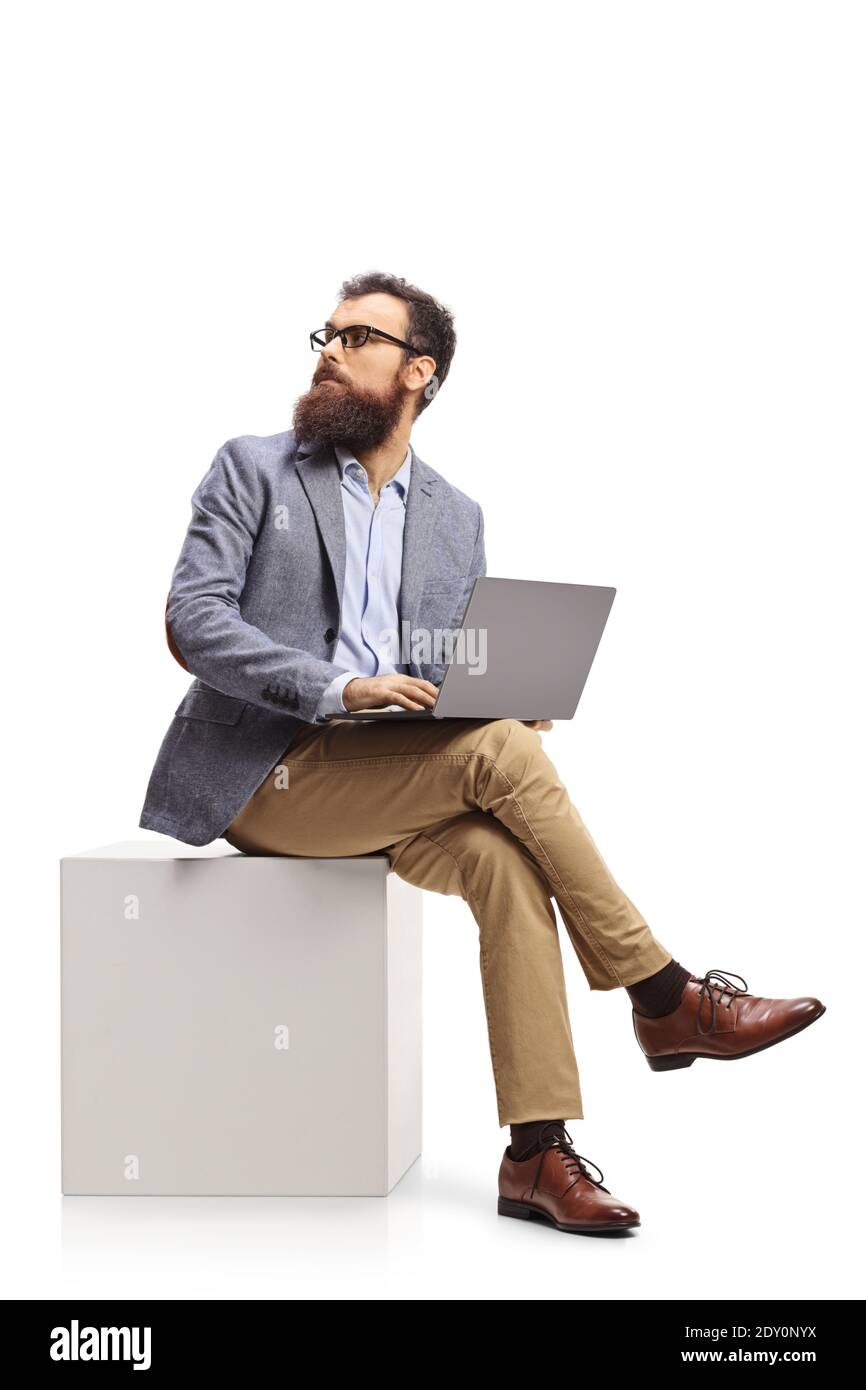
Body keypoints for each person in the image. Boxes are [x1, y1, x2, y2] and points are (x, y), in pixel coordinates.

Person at [140, 270, 826, 1235]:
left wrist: (501, 691)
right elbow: (195, 620)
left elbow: (444, 656)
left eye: (358, 337)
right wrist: (339, 687)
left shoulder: (456, 514)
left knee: (505, 861)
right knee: (495, 754)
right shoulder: (253, 468)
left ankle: (535, 1155)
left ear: (417, 372)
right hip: (272, 771)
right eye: (325, 335)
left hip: (389, 771)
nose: (330, 350)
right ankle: (665, 995)